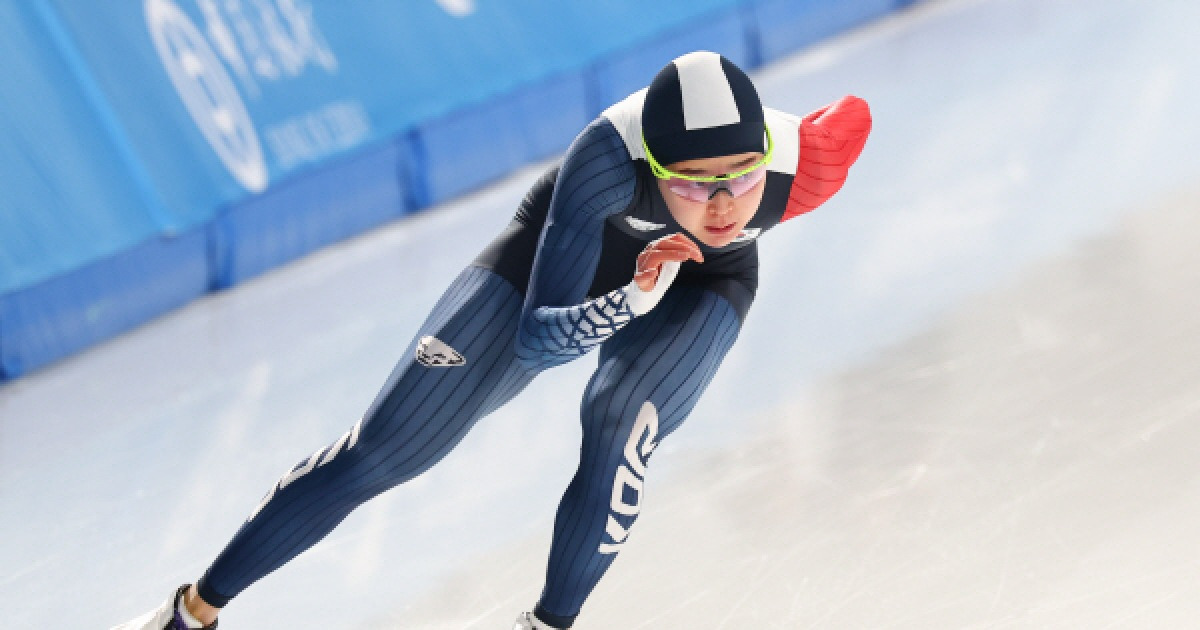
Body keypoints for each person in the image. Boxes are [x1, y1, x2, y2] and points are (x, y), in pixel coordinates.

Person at [114, 50, 871, 630]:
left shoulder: (805, 166)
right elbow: (542, 342)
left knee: (619, 418)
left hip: (706, 282)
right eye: (690, 182)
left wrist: (667, 285)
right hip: (564, 264)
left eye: (738, 179)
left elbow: (853, 114)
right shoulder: (603, 164)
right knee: (387, 447)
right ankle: (191, 611)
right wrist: (634, 292)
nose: (719, 205)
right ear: (650, 165)